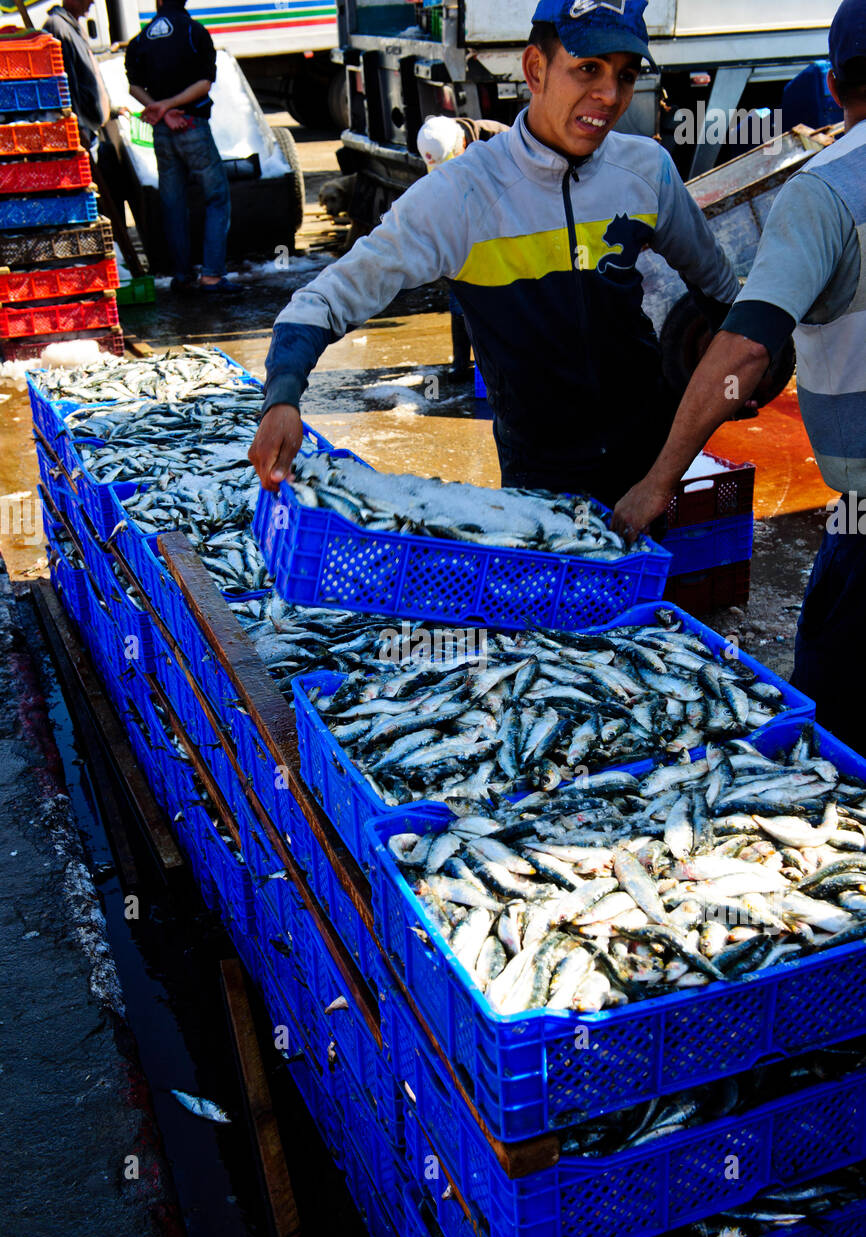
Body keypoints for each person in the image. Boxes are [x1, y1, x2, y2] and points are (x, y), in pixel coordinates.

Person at [249, 0, 739, 506]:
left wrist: (733, 378)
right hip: (539, 472)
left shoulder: (647, 169)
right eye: (588, 69)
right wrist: (282, 398)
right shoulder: (461, 195)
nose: (610, 95)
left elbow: (719, 287)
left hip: (649, 460)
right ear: (535, 69)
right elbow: (324, 299)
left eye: (626, 75)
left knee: (653, 583)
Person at [612, 0, 866, 754]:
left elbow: (745, 355)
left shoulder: (828, 191)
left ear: (831, 81)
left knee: (833, 723)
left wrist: (661, 477)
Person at [125, 0, 236, 295]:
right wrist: (171, 107)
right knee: (217, 198)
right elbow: (204, 84)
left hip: (162, 132)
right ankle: (212, 275)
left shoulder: (141, 38)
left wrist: (158, 109)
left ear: (158, 2)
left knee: (173, 204)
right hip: (191, 125)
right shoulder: (194, 32)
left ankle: (182, 275)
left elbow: (133, 86)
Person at [416, 115, 511, 377]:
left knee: (501, 298)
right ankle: (461, 363)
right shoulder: (434, 140)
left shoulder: (502, 142)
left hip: (505, 225)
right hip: (464, 223)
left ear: (464, 145)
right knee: (459, 291)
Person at [42, 0, 111, 150]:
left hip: (88, 126)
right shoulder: (59, 28)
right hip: (81, 129)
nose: (92, 2)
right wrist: (76, 127)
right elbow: (66, 85)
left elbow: (88, 75)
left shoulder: (73, 27)